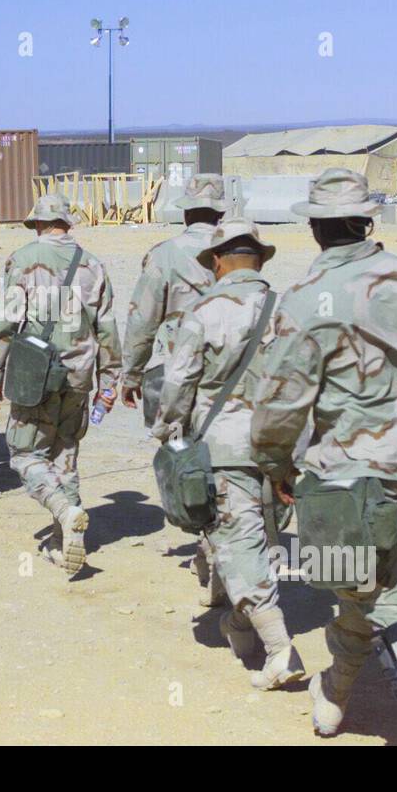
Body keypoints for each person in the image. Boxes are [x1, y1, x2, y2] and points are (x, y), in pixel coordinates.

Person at [250, 168, 397, 744]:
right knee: (361, 585)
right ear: (368, 221)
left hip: (351, 473)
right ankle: (334, 694)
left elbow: (282, 398)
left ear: (314, 228)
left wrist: (274, 464)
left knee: (379, 590)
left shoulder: (307, 298)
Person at [150, 218, 303, 689]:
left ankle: (279, 650)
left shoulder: (205, 309)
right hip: (283, 450)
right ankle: (238, 624)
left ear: (217, 261)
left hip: (225, 450)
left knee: (238, 546)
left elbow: (179, 383)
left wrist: (166, 431)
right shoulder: (290, 309)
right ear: (260, 260)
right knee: (263, 538)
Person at [0, 194, 122, 575]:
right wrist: (109, 381)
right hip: (79, 373)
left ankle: (65, 511)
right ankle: (65, 541)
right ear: (67, 223)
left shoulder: (22, 260)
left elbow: (7, 321)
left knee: (25, 454)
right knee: (66, 452)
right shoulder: (94, 265)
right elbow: (107, 327)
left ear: (38, 224)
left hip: (36, 373)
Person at [120, 172, 228, 605]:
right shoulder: (236, 252)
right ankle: (222, 549)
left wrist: (130, 374)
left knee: (187, 464)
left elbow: (142, 320)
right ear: (221, 212)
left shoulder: (164, 256)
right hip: (228, 376)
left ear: (185, 211)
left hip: (176, 376)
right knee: (225, 467)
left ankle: (210, 545)